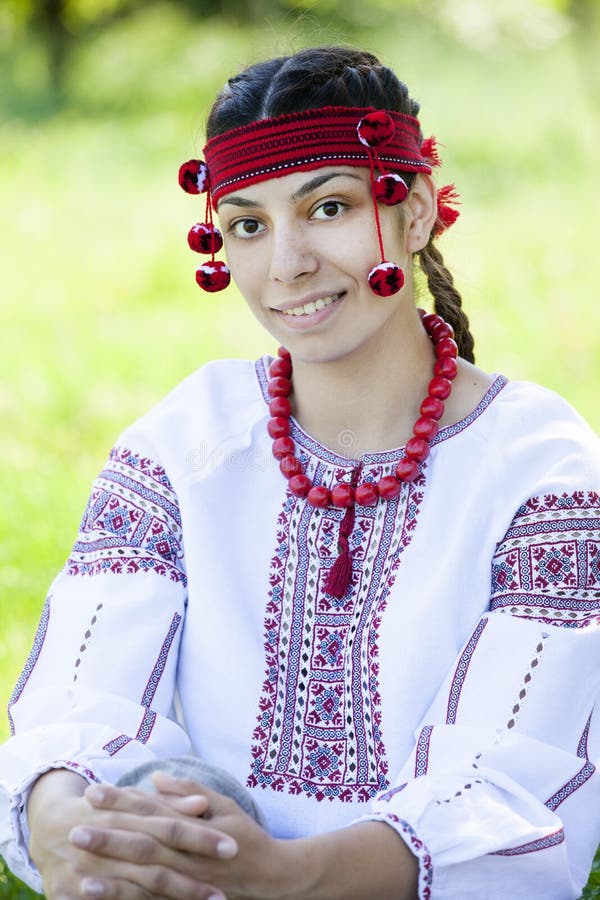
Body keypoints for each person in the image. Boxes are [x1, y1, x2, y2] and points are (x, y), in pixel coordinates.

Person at [0, 45, 599, 900]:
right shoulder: (187, 441)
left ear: (418, 208)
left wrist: (284, 878)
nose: (286, 265)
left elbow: (509, 793)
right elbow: (78, 701)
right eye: (247, 224)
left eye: (327, 207)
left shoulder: (543, 470)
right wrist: (64, 818)